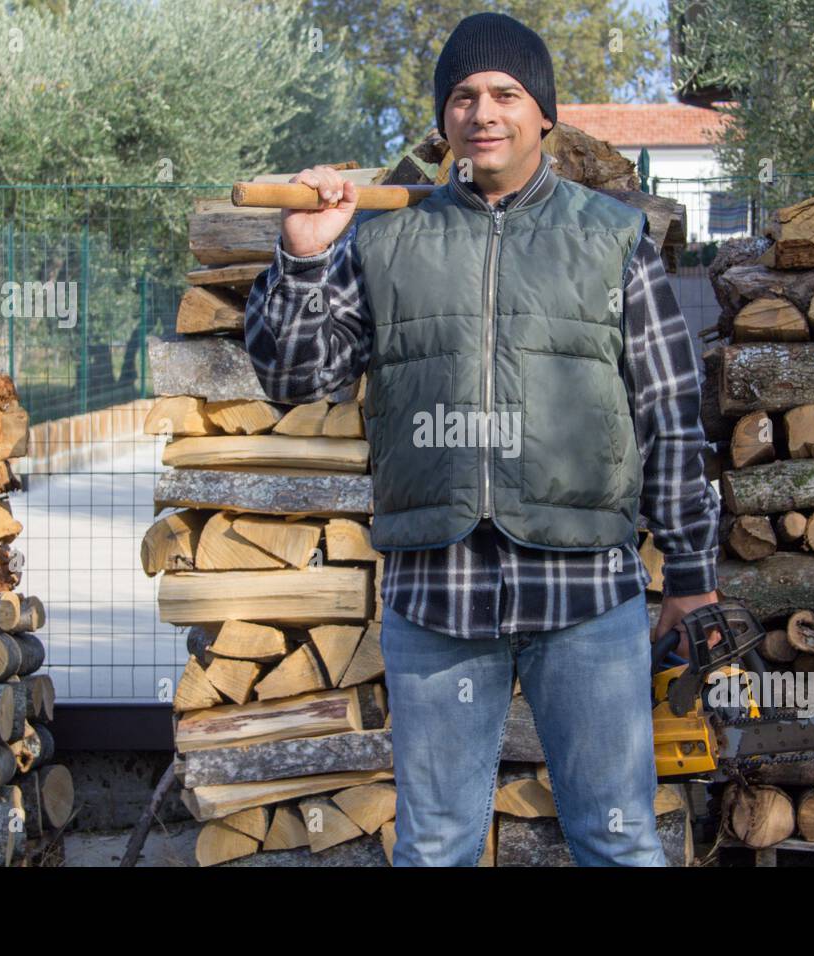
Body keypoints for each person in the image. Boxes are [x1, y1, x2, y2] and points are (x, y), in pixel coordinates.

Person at [243, 11, 720, 866]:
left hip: (585, 597)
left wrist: (688, 572)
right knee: (434, 848)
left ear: (544, 114)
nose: (483, 112)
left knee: (619, 844)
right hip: (439, 596)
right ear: (443, 120)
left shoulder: (611, 239)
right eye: (462, 96)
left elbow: (669, 408)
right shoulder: (386, 238)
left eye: (506, 93)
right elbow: (292, 377)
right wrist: (307, 257)